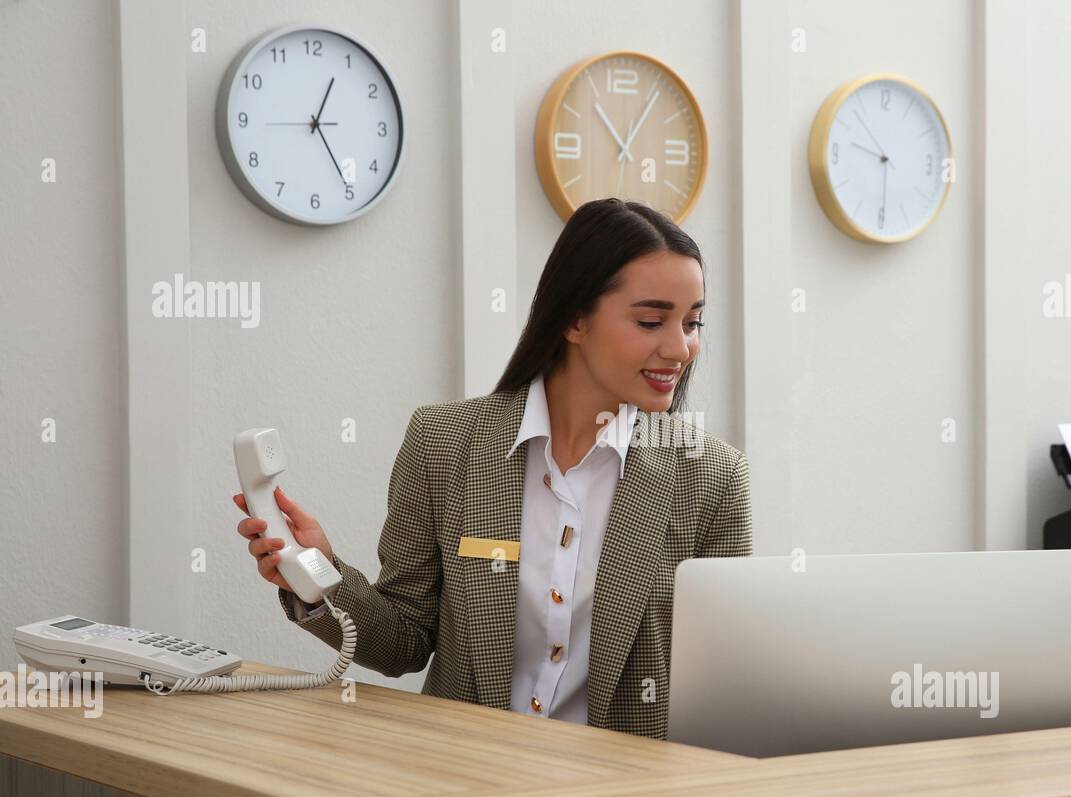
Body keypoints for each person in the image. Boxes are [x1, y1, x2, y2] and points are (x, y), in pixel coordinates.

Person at [232, 198, 752, 740]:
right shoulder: (443, 444)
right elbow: (404, 641)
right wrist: (319, 574)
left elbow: (724, 684)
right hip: (466, 782)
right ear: (575, 319)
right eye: (651, 320)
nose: (681, 348)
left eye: (692, 323)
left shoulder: (712, 477)